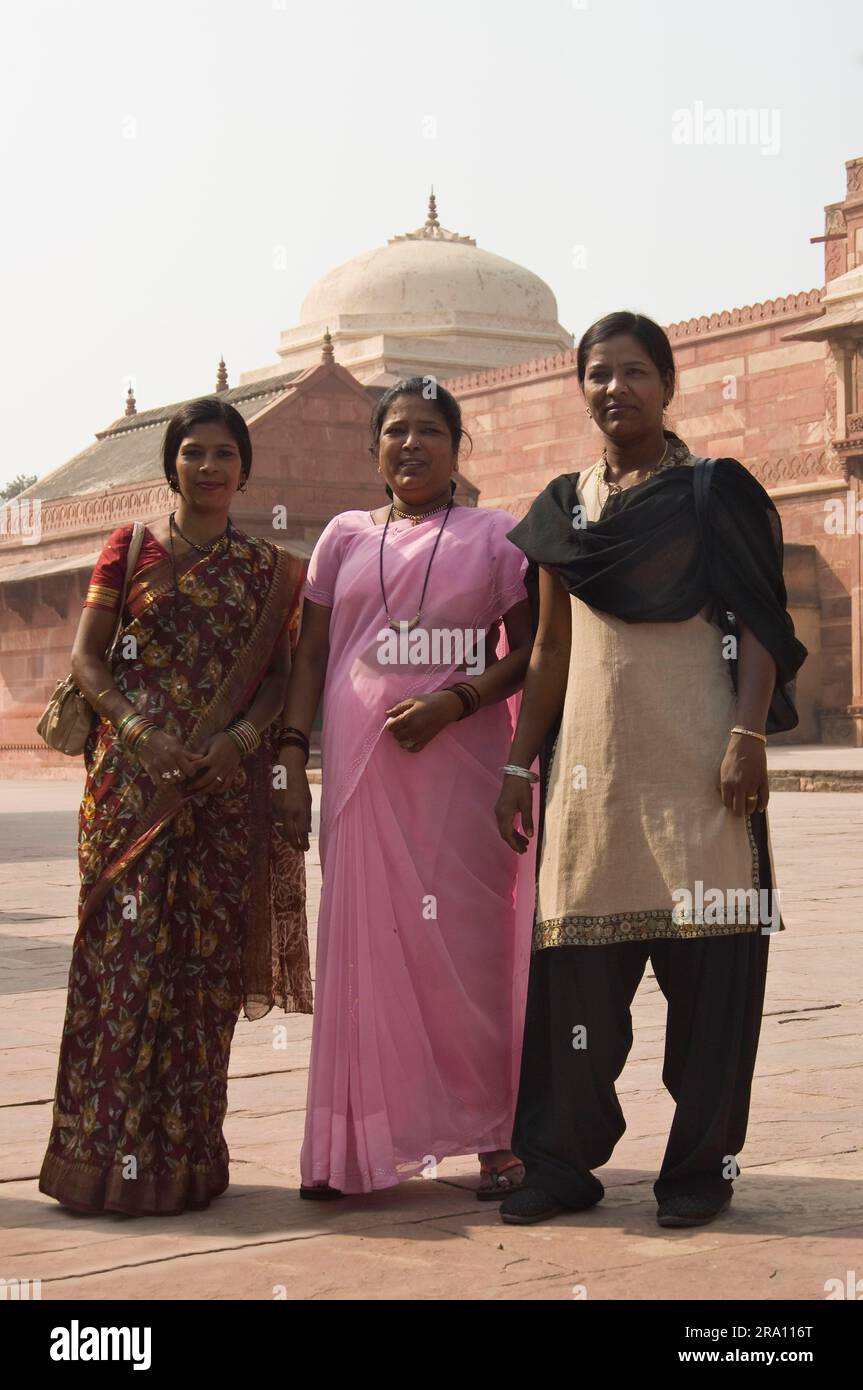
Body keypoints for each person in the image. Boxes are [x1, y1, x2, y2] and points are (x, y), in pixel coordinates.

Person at [494, 312, 807, 1229]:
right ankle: (557, 1163)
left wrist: (747, 735)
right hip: (590, 780)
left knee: (711, 982)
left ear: (668, 386)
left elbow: (757, 619)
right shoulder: (562, 509)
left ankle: (698, 1170)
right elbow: (548, 649)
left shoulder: (717, 494)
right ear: (580, 387)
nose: (614, 388)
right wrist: (518, 764)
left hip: (700, 772)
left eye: (634, 371)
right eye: (597, 373)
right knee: (574, 994)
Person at [39, 398, 311, 1216]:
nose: (209, 467)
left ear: (245, 469)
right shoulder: (128, 549)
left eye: (224, 453)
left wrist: (238, 742)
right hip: (131, 785)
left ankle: (186, 1163)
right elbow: (89, 659)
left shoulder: (271, 571)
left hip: (225, 796)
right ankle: (93, 1160)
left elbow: (280, 679)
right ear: (172, 465)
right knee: (118, 967)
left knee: (200, 976)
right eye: (193, 453)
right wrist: (140, 732)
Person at [277, 377, 536, 1198]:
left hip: (460, 776)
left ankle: (494, 1134)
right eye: (395, 432)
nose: (411, 445)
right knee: (364, 951)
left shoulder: (499, 538)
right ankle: (351, 1147)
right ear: (374, 450)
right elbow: (312, 655)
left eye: (429, 431)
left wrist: (454, 701)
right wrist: (291, 751)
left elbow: (529, 654)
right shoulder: (343, 538)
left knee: (468, 950)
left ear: (458, 448)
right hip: (361, 775)